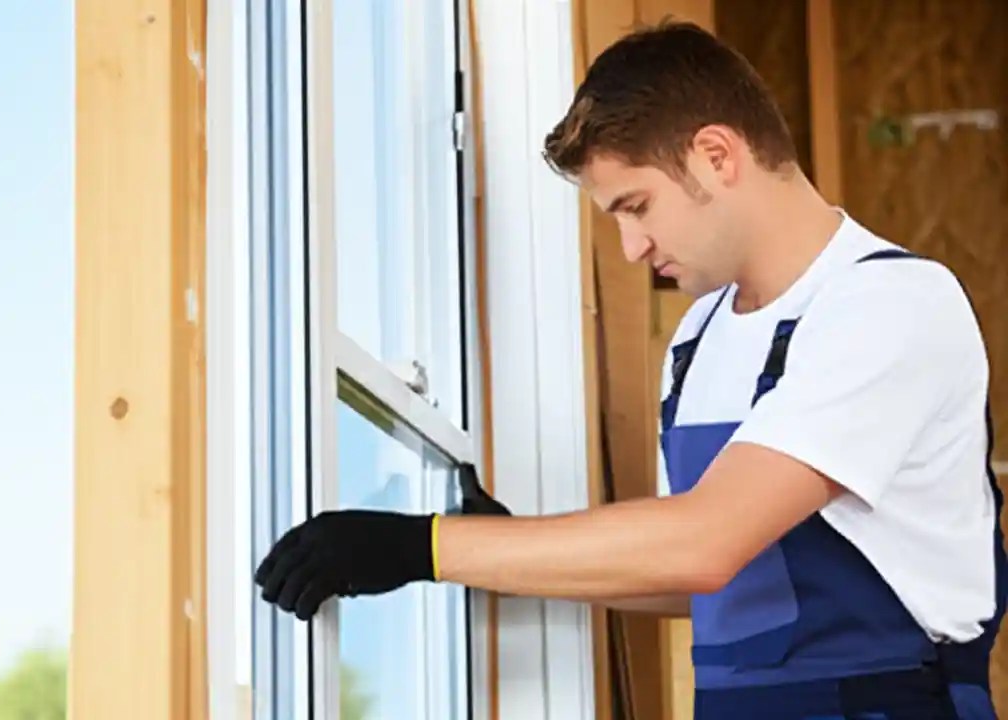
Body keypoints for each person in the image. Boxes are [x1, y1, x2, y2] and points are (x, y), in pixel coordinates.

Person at [254, 20, 1005, 719]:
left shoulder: (887, 304)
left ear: (717, 155)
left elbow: (705, 542)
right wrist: (505, 551)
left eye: (636, 206)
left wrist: (423, 547)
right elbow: (696, 579)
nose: (632, 247)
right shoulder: (701, 336)